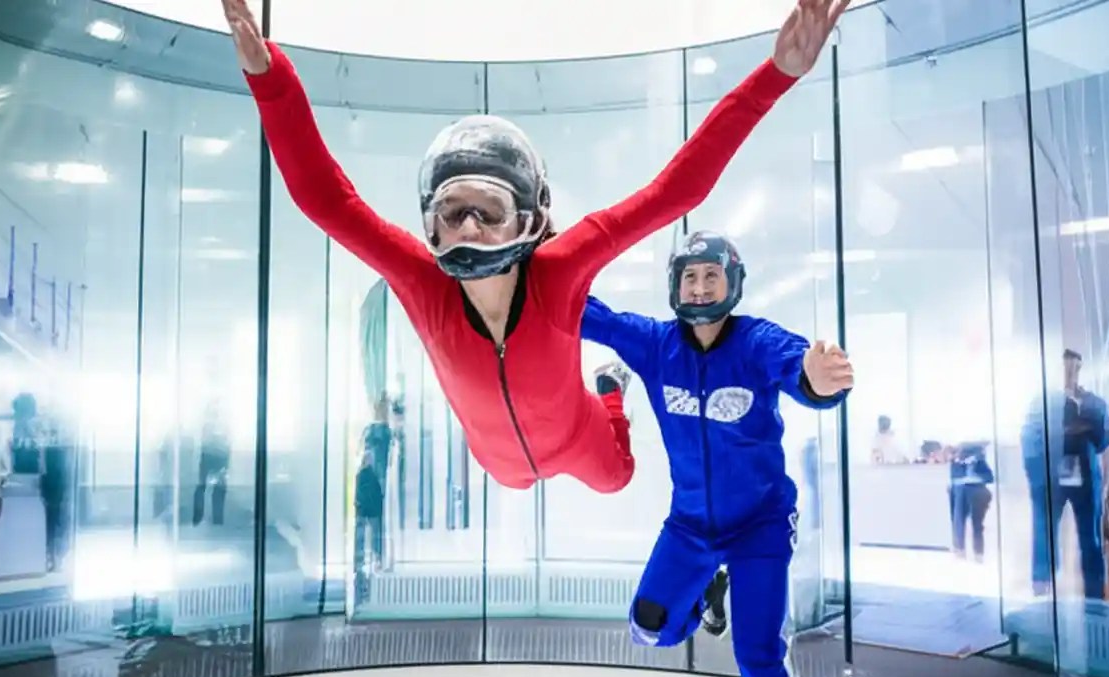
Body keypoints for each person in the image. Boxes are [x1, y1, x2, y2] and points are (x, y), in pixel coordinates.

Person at [219, 0, 850, 494]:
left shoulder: (562, 267)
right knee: (513, 478)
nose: (468, 226)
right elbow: (326, 201)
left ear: (529, 220)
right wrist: (267, 76)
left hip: (581, 438)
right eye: (452, 211)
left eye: (488, 211)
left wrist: (777, 75)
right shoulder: (419, 278)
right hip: (498, 461)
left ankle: (611, 394)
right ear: (430, 224)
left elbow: (675, 191)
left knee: (617, 478)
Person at [580, 231, 853, 677]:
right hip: (690, 526)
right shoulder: (655, 344)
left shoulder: (756, 342)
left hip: (760, 526)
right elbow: (590, 315)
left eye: (712, 276)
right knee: (650, 630)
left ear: (733, 283)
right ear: (675, 286)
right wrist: (531, 271)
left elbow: (800, 370)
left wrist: (818, 380)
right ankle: (710, 593)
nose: (701, 288)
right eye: (690, 277)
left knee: (757, 655)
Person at [1022, 348, 1109, 598]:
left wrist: (1082, 427)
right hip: (1051, 476)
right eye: (1065, 366)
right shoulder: (1041, 402)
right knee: (1044, 527)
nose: (1069, 371)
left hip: (1085, 473)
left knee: (1090, 533)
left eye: (1074, 366)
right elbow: (1030, 437)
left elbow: (1105, 437)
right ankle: (1041, 581)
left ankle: (1095, 590)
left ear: (1081, 368)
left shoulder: (1094, 402)